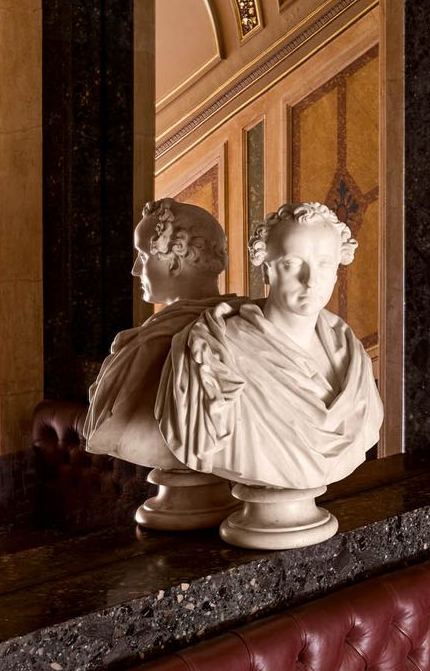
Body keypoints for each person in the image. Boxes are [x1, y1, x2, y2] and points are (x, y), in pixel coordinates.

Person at [157, 201, 382, 490]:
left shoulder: (351, 355)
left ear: (338, 269)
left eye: (324, 264)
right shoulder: (215, 354)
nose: (310, 280)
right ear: (266, 271)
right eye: (291, 264)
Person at [84, 198, 233, 468]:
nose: (135, 270)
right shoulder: (157, 333)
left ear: (175, 261)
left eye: (142, 256)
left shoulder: (194, 338)